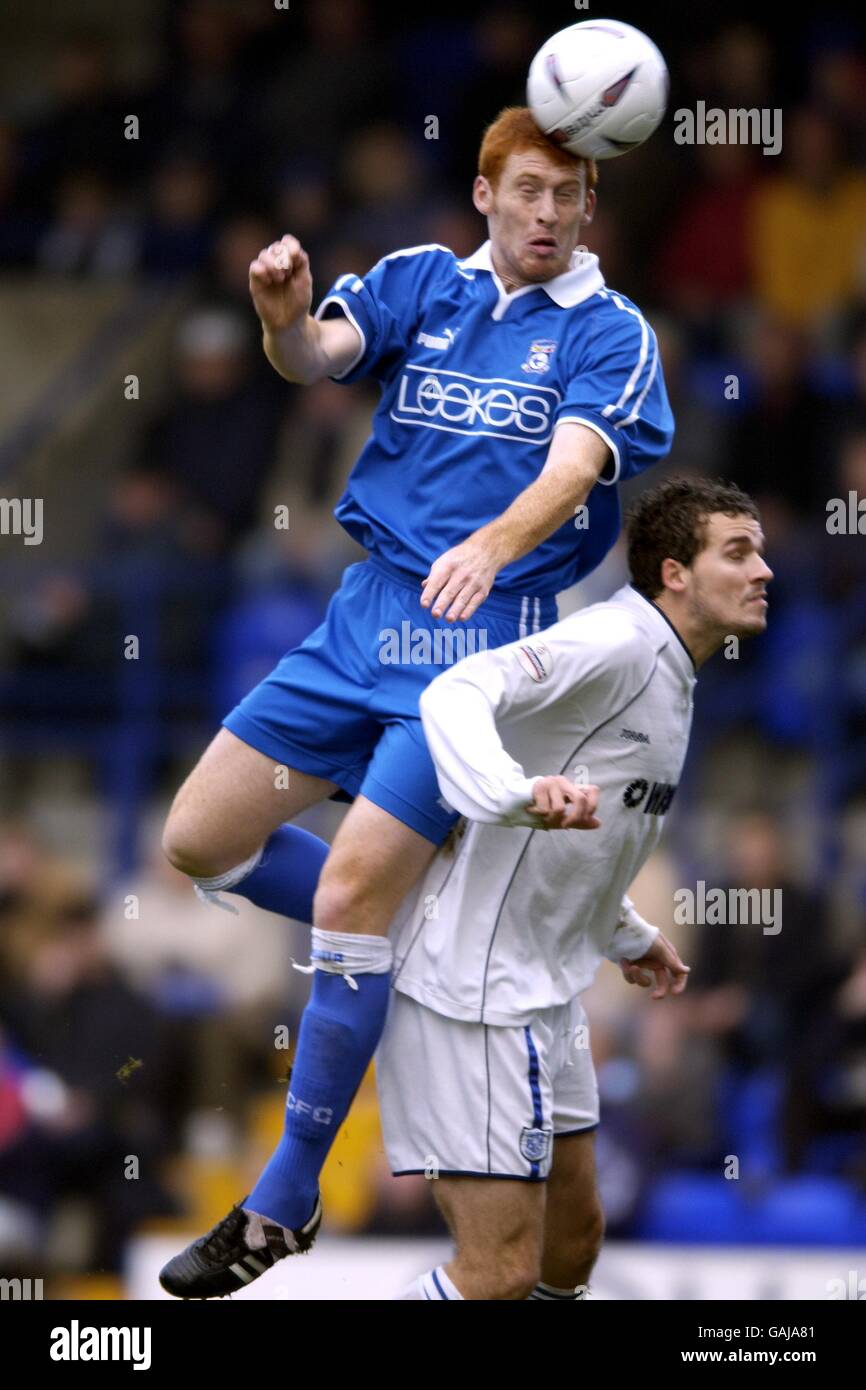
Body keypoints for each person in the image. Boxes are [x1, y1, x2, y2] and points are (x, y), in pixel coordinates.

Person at [159, 107, 674, 1298]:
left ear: (589, 208)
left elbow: (574, 467)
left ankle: (284, 1198)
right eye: (530, 191)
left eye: (570, 195)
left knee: (345, 891)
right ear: (486, 193)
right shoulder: (420, 282)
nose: (550, 214)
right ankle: (412, 934)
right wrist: (283, 319)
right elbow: (317, 359)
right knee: (198, 840)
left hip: (479, 650)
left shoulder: (609, 330)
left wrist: (494, 546)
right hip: (363, 615)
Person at [379, 476, 773, 1300]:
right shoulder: (618, 643)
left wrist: (625, 932)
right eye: (737, 552)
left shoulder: (674, 671)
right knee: (500, 1273)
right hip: (475, 995)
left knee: (574, 1246)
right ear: (674, 572)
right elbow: (455, 691)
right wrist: (509, 794)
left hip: (547, 997)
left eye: (761, 551)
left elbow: (599, 827)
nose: (762, 569)